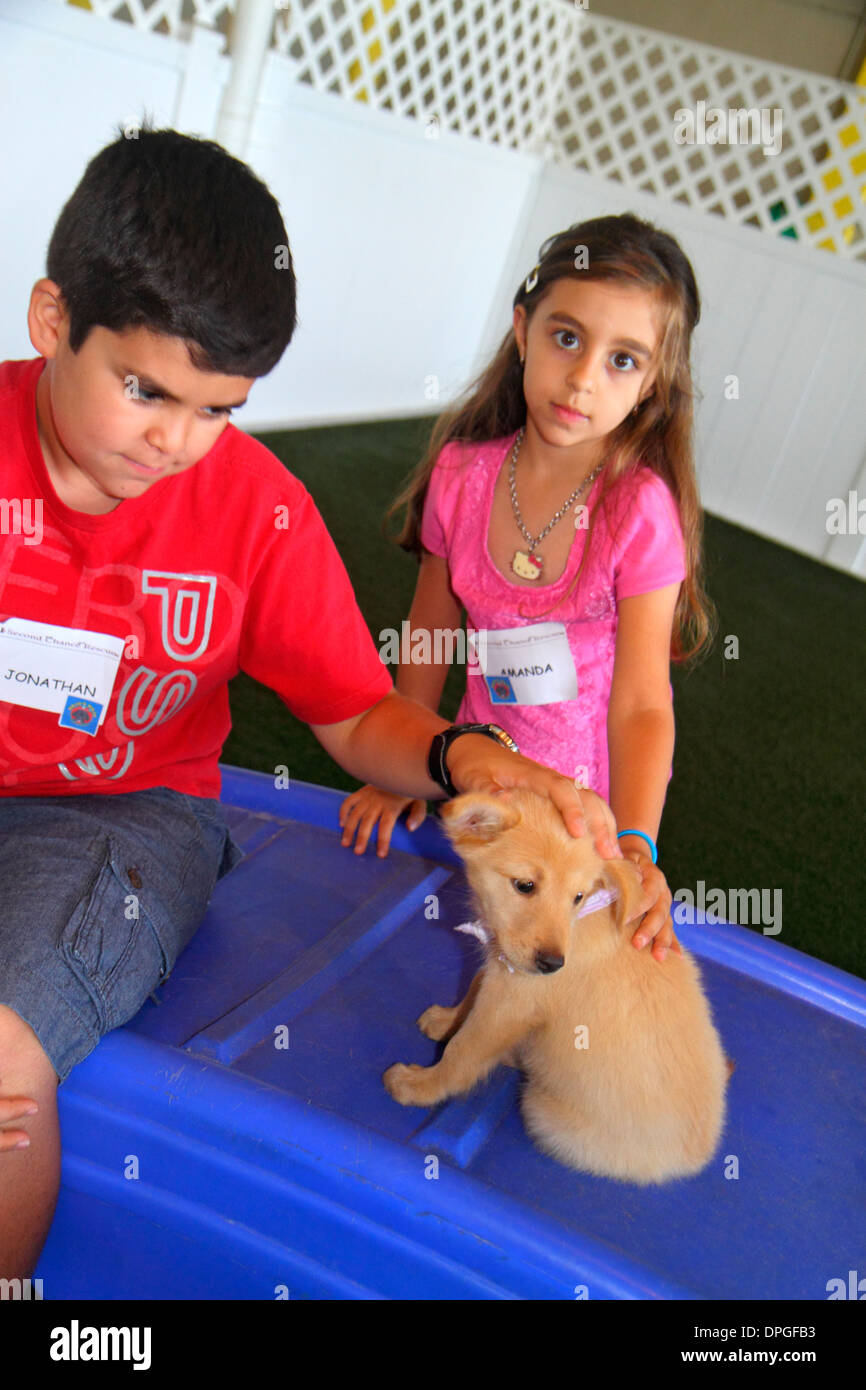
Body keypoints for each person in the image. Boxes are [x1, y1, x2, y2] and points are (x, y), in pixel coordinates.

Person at [0, 127, 626, 1281]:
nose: (176, 442)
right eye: (146, 390)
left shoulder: (256, 509)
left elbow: (352, 716)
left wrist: (466, 755)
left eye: (218, 409)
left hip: (125, 817)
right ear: (51, 323)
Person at [341, 213, 714, 963]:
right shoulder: (460, 474)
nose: (581, 378)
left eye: (623, 360)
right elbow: (430, 629)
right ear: (523, 329)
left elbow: (643, 704)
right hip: (484, 786)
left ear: (653, 384)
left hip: (586, 828)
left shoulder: (638, 512)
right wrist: (405, 760)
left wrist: (635, 849)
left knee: (559, 993)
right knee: (437, 957)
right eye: (566, 337)